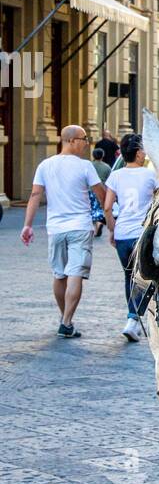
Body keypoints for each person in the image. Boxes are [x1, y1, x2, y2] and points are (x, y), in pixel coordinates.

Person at [20, 125, 106, 338]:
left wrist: (27, 225)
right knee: (75, 273)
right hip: (80, 227)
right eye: (83, 138)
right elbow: (101, 193)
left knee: (59, 275)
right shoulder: (85, 166)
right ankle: (66, 320)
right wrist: (109, 214)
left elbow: (34, 195)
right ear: (70, 140)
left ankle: (65, 320)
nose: (86, 143)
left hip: (56, 229)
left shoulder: (45, 165)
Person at [104, 133, 159, 342]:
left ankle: (133, 319)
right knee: (149, 277)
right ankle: (138, 319)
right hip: (142, 234)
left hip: (122, 235)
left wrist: (112, 230)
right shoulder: (149, 176)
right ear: (138, 153)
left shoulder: (116, 176)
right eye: (143, 150)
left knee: (129, 276)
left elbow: (108, 207)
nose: (145, 153)